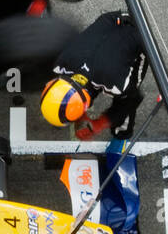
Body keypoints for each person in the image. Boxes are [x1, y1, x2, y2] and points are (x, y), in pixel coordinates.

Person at [43, 10, 149, 139]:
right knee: (94, 78)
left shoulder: (115, 83)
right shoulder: (61, 63)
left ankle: (122, 133)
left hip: (138, 36)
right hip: (110, 20)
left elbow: (134, 98)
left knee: (126, 98)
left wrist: (99, 123)